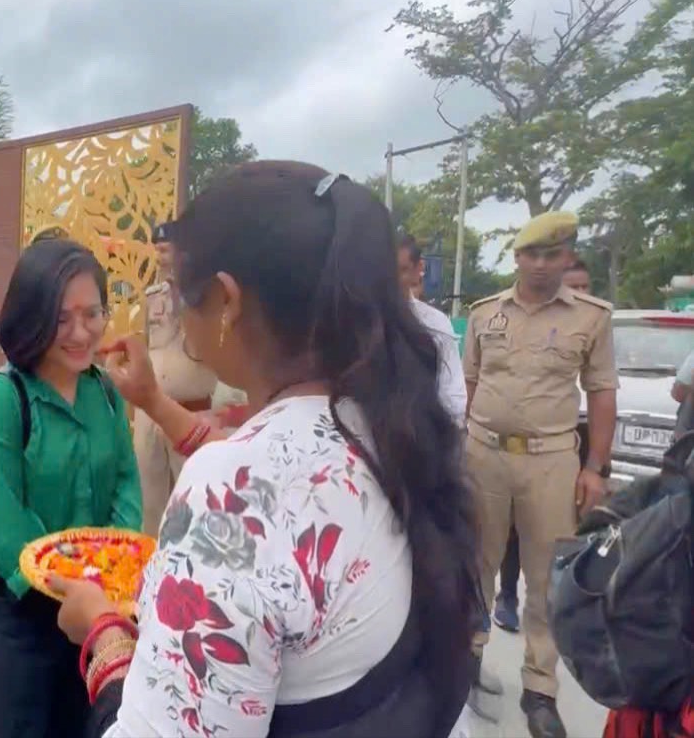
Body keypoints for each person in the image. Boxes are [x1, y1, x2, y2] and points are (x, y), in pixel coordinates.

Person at [49, 161, 479, 738]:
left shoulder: (231, 492)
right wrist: (152, 399)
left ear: (226, 300)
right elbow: (279, 478)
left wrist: (105, 634)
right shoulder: (391, 422)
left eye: (184, 293)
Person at [0, 238, 143, 738]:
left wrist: (114, 566)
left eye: (92, 314)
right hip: (16, 611)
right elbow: (0, 524)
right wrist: (69, 583)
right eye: (61, 319)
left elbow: (125, 480)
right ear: (32, 317)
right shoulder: (4, 396)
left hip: (92, 610)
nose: (81, 333)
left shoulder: (104, 391)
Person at [464, 210, 618, 738]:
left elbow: (601, 393)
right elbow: (468, 385)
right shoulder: (485, 314)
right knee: (476, 565)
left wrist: (595, 468)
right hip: (483, 454)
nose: (540, 264)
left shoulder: (591, 318)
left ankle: (540, 689)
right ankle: (467, 664)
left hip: (551, 460)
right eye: (531, 253)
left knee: (545, 577)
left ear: (567, 257)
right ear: (517, 258)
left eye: (552, 254)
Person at [493, 253, 596, 635]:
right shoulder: (523, 322)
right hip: (525, 443)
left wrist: (596, 465)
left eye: (586, 286)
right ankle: (507, 596)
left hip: (572, 438)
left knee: (559, 534)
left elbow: (604, 391)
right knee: (512, 528)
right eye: (574, 286)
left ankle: (558, 614)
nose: (581, 293)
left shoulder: (596, 324)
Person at [134, 223, 219, 535]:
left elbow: (203, 347)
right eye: (157, 250)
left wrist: (183, 296)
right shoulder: (153, 297)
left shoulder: (202, 298)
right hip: (150, 409)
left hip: (189, 409)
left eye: (166, 250)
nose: (160, 257)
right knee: (149, 495)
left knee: (189, 492)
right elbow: (150, 342)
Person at [397, 234, 467, 425]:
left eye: (401, 270)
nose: (390, 279)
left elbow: (452, 392)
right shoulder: (356, 320)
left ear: (419, 269)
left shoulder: (435, 323)